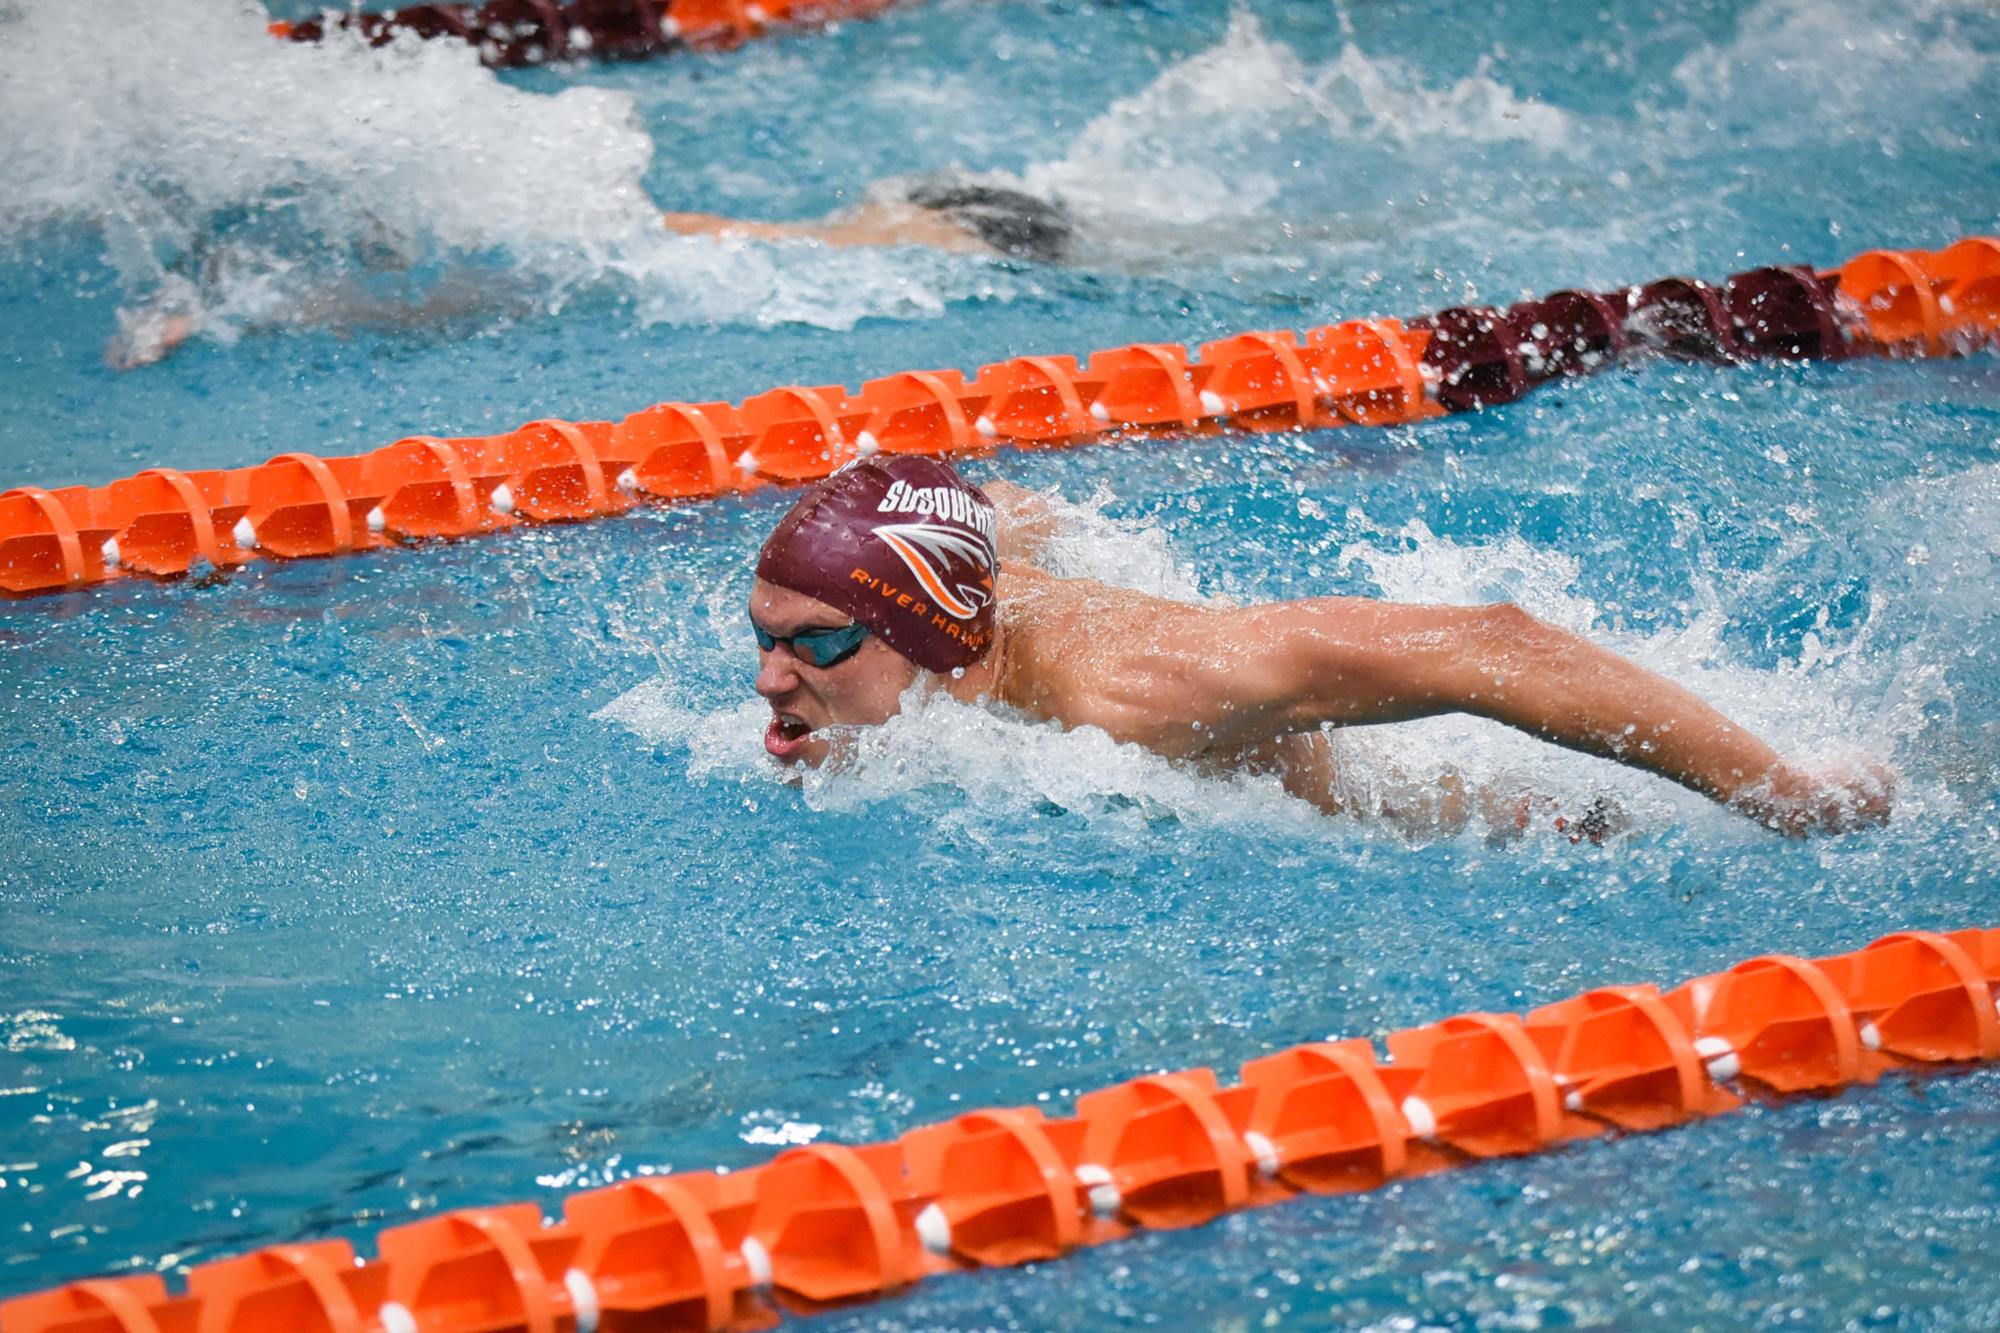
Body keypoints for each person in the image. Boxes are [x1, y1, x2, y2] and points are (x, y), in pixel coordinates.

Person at [750, 455, 1894, 837]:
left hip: (1467, 824)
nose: (769, 679)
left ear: (928, 633)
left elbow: (1484, 641)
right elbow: (986, 505)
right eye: (762, 640)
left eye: (815, 643)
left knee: (1554, 821)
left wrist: (1777, 789)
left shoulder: (1134, 690)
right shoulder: (956, 599)